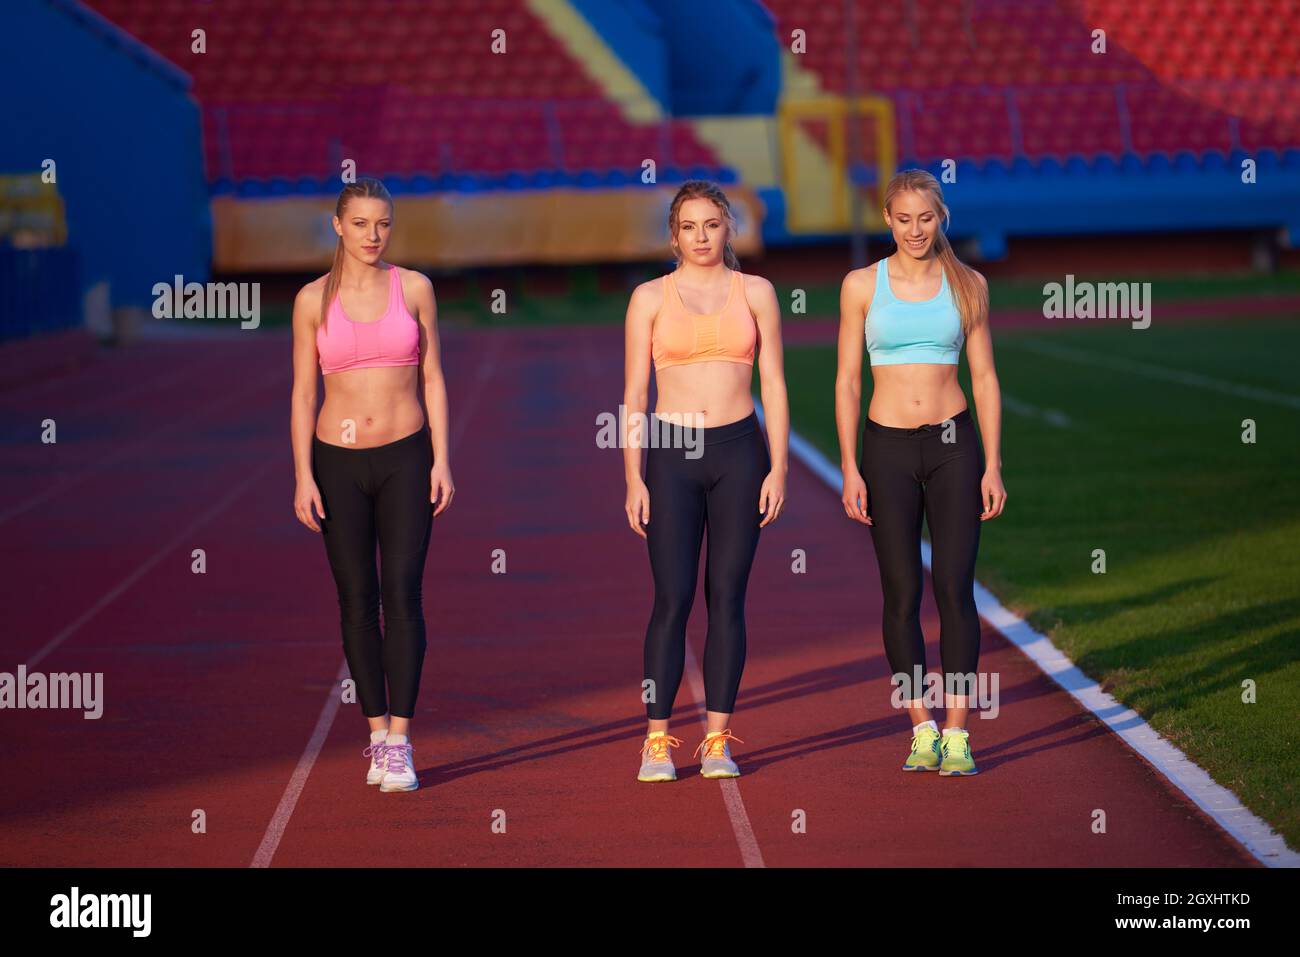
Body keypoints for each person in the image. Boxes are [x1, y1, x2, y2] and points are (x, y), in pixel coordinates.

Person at [835, 169, 1006, 776]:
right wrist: (850, 468)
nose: (914, 230)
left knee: (955, 589)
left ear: (942, 218)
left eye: (925, 218)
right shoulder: (861, 284)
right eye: (903, 219)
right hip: (886, 450)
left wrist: (994, 464)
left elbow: (984, 377)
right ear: (887, 218)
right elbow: (848, 381)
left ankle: (957, 734)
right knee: (901, 593)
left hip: (954, 445)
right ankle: (922, 726)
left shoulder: (968, 284)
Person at [290, 177, 454, 793]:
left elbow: (433, 377)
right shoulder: (311, 301)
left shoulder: (413, 288)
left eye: (382, 223)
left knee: (404, 595)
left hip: (406, 459)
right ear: (338, 225)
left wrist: (441, 459)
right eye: (360, 224)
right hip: (337, 463)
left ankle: (402, 743)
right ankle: (378, 733)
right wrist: (303, 473)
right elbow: (304, 392)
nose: (372, 235)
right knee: (357, 603)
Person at [622, 179, 790, 782]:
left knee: (728, 599)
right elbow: (634, 394)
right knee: (671, 600)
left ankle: (717, 740)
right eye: (689, 227)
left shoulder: (758, 292)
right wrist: (633, 480)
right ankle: (657, 740)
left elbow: (773, 383)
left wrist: (779, 466)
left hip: (740, 449)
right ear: (674, 235)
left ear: (728, 230)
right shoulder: (648, 297)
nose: (701, 237)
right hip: (670, 449)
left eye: (712, 225)